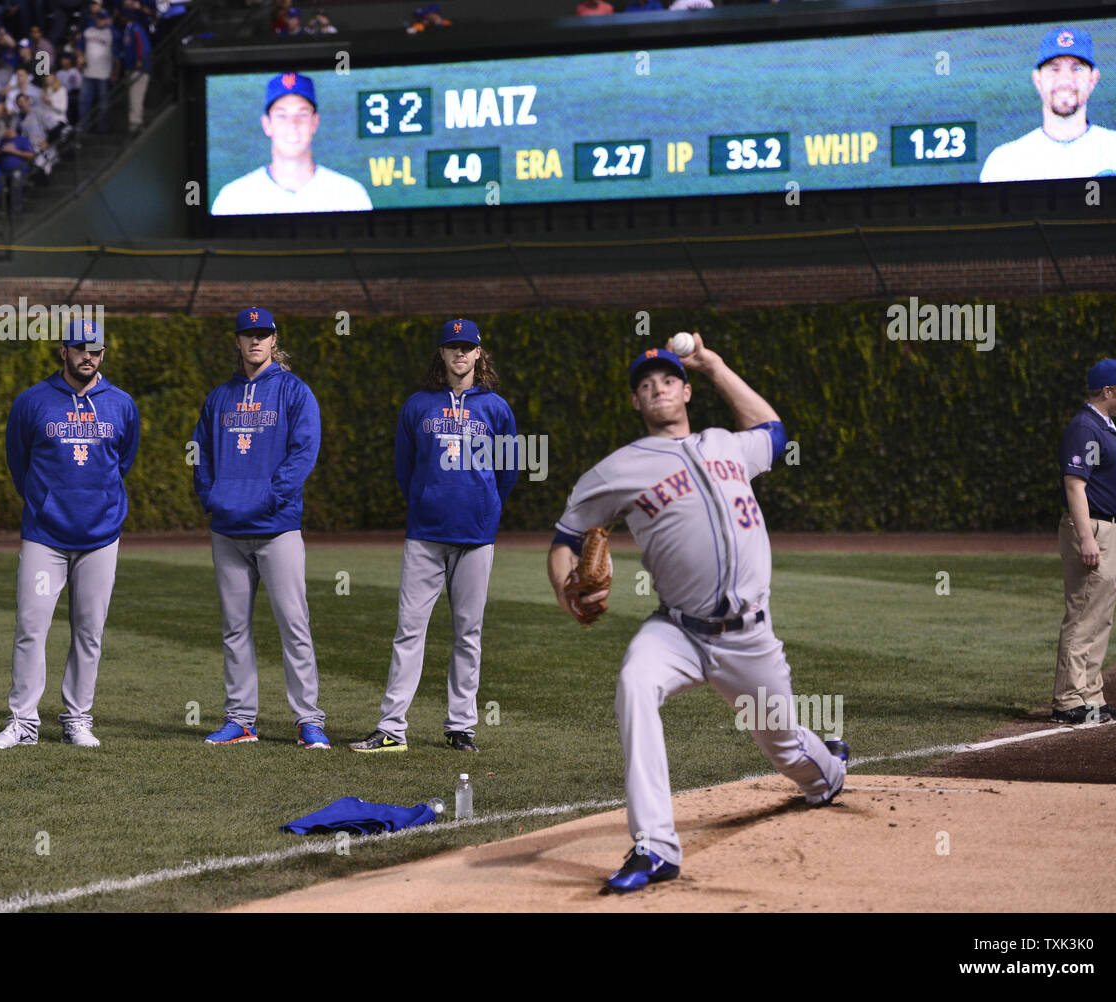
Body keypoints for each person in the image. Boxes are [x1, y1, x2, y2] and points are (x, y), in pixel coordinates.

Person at [546, 336, 848, 894]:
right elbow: (564, 540)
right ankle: (656, 846)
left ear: (685, 390)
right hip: (677, 630)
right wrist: (565, 586)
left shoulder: (726, 445)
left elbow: (775, 432)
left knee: (787, 752)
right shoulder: (616, 470)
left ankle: (827, 767)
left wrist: (713, 364)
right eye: (644, 384)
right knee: (635, 682)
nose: (656, 387)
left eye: (666, 379)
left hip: (749, 640)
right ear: (636, 403)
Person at [350, 319, 517, 754]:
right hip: (424, 534)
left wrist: (483, 507)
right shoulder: (417, 405)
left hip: (476, 535)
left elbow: (509, 471)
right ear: (441, 354)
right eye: (452, 347)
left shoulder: (496, 408)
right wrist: (426, 501)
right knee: (408, 631)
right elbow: (404, 469)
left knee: (468, 632)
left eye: (467, 347)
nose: (460, 354)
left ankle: (461, 727)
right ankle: (391, 728)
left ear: (479, 354)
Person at [0, 319, 140, 749]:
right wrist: (47, 502)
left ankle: (77, 719)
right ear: (63, 351)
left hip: (101, 536)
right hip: (44, 537)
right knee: (31, 627)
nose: (87, 356)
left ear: (103, 353)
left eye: (95, 349)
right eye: (79, 348)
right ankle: (23, 722)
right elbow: (19, 462)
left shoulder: (122, 404)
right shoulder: (32, 402)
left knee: (89, 631)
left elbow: (122, 460)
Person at [191, 307, 330, 750]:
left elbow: (304, 452)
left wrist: (269, 497)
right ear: (237, 341)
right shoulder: (219, 397)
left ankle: (308, 720)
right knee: (234, 628)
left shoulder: (294, 392)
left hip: (277, 528)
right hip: (228, 529)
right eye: (247, 334)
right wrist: (212, 496)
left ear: (274, 340)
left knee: (294, 625)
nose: (255, 341)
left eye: (263, 334)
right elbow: (200, 453)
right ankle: (241, 719)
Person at [1052, 358, 1116, 724]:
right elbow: (1075, 484)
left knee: (1100, 618)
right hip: (1092, 528)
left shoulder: (1102, 426)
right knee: (1084, 615)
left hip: (1108, 529)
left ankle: (1091, 697)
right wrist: (1088, 536)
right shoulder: (1085, 427)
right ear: (1107, 391)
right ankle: (1069, 700)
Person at [980, 27, 1116, 183]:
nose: (1065, 81)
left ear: (1093, 79)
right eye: (1054, 69)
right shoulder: (1005, 162)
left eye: (1077, 68)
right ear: (1038, 80)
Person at [211, 71, 372, 215]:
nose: (292, 125)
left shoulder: (349, 194)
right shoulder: (234, 198)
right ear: (267, 124)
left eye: (302, 115)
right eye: (281, 116)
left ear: (314, 122)